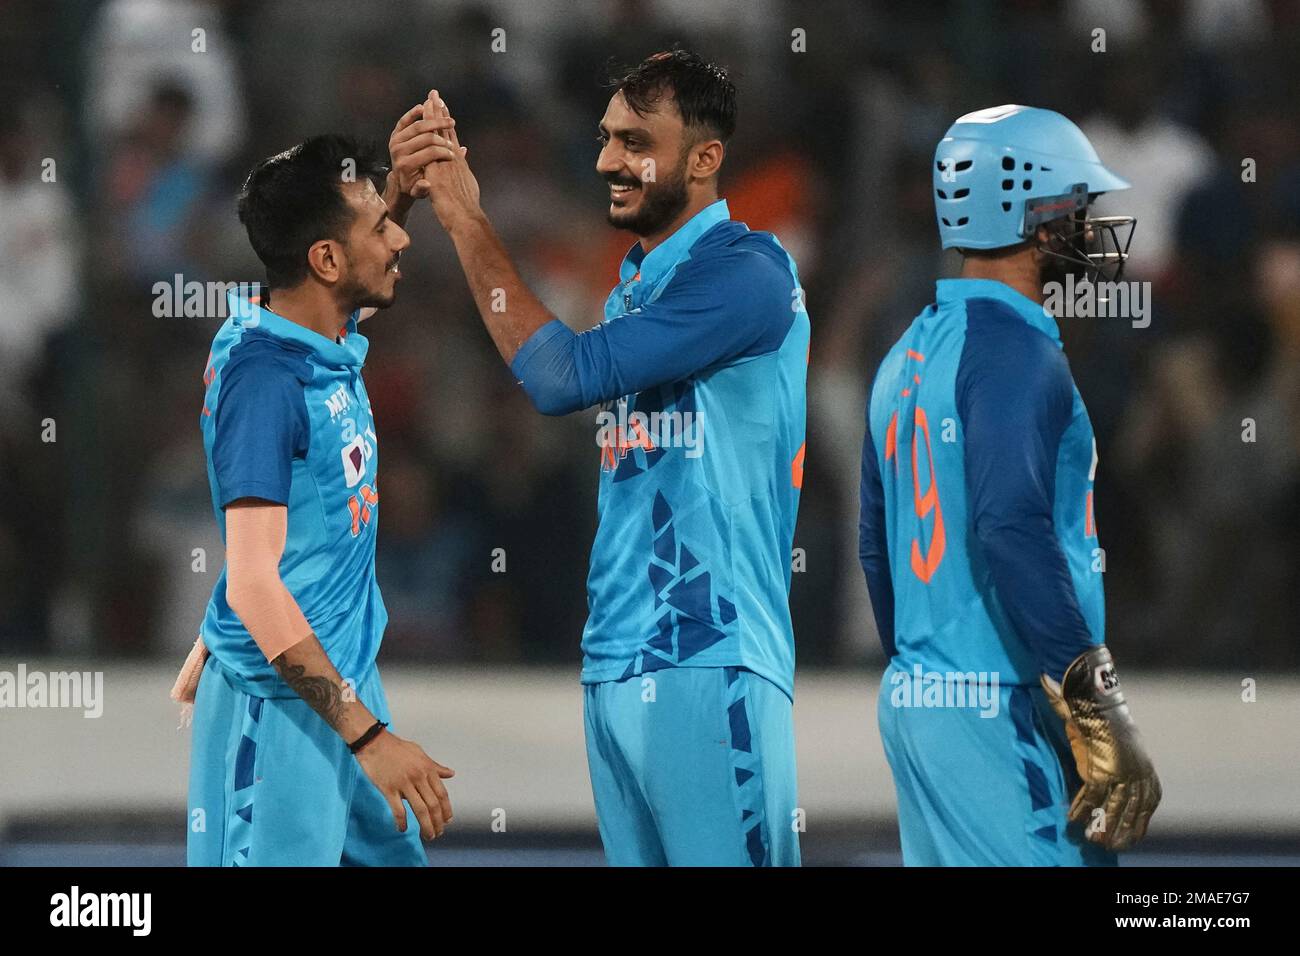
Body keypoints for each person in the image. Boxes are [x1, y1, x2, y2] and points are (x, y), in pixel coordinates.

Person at [414, 50, 809, 866]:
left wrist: (462, 218)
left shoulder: (745, 274)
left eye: (635, 141)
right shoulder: (636, 285)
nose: (605, 162)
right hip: (618, 661)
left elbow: (562, 379)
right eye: (604, 138)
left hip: (708, 654)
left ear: (704, 160)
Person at [859, 105, 1161, 865]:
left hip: (925, 702)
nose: (1092, 231)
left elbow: (875, 548)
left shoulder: (906, 353)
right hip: (1003, 710)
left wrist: (930, 676)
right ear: (1033, 213)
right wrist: (1097, 708)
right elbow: (1010, 526)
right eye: (1080, 208)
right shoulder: (1018, 354)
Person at [177, 107, 459, 866]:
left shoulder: (310, 330)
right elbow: (255, 585)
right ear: (329, 259)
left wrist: (393, 190)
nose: (401, 238)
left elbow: (345, 285)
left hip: (340, 678)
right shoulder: (266, 383)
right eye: (382, 229)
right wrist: (368, 736)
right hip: (286, 714)